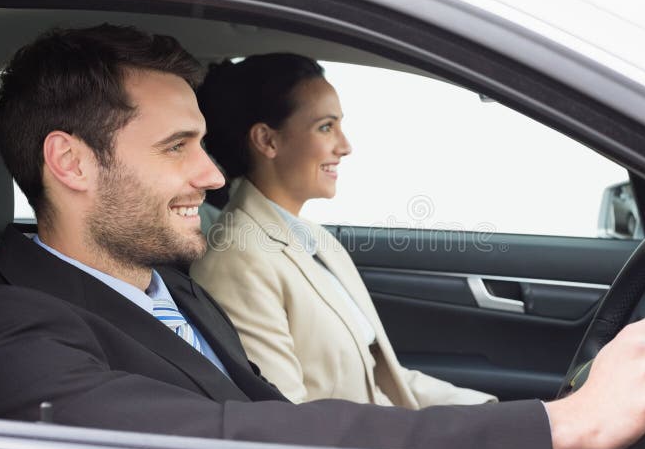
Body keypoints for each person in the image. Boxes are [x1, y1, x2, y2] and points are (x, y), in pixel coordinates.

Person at [0, 24, 645, 449]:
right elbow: (244, 438)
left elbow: (275, 408)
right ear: (71, 162)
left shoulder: (164, 284)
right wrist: (562, 425)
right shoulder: (2, 334)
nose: (212, 173)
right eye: (177, 147)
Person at [190, 54, 495, 407]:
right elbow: (287, 422)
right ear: (267, 141)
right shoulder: (236, 263)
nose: (345, 146)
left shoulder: (313, 238)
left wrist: (497, 415)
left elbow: (386, 381)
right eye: (325, 127)